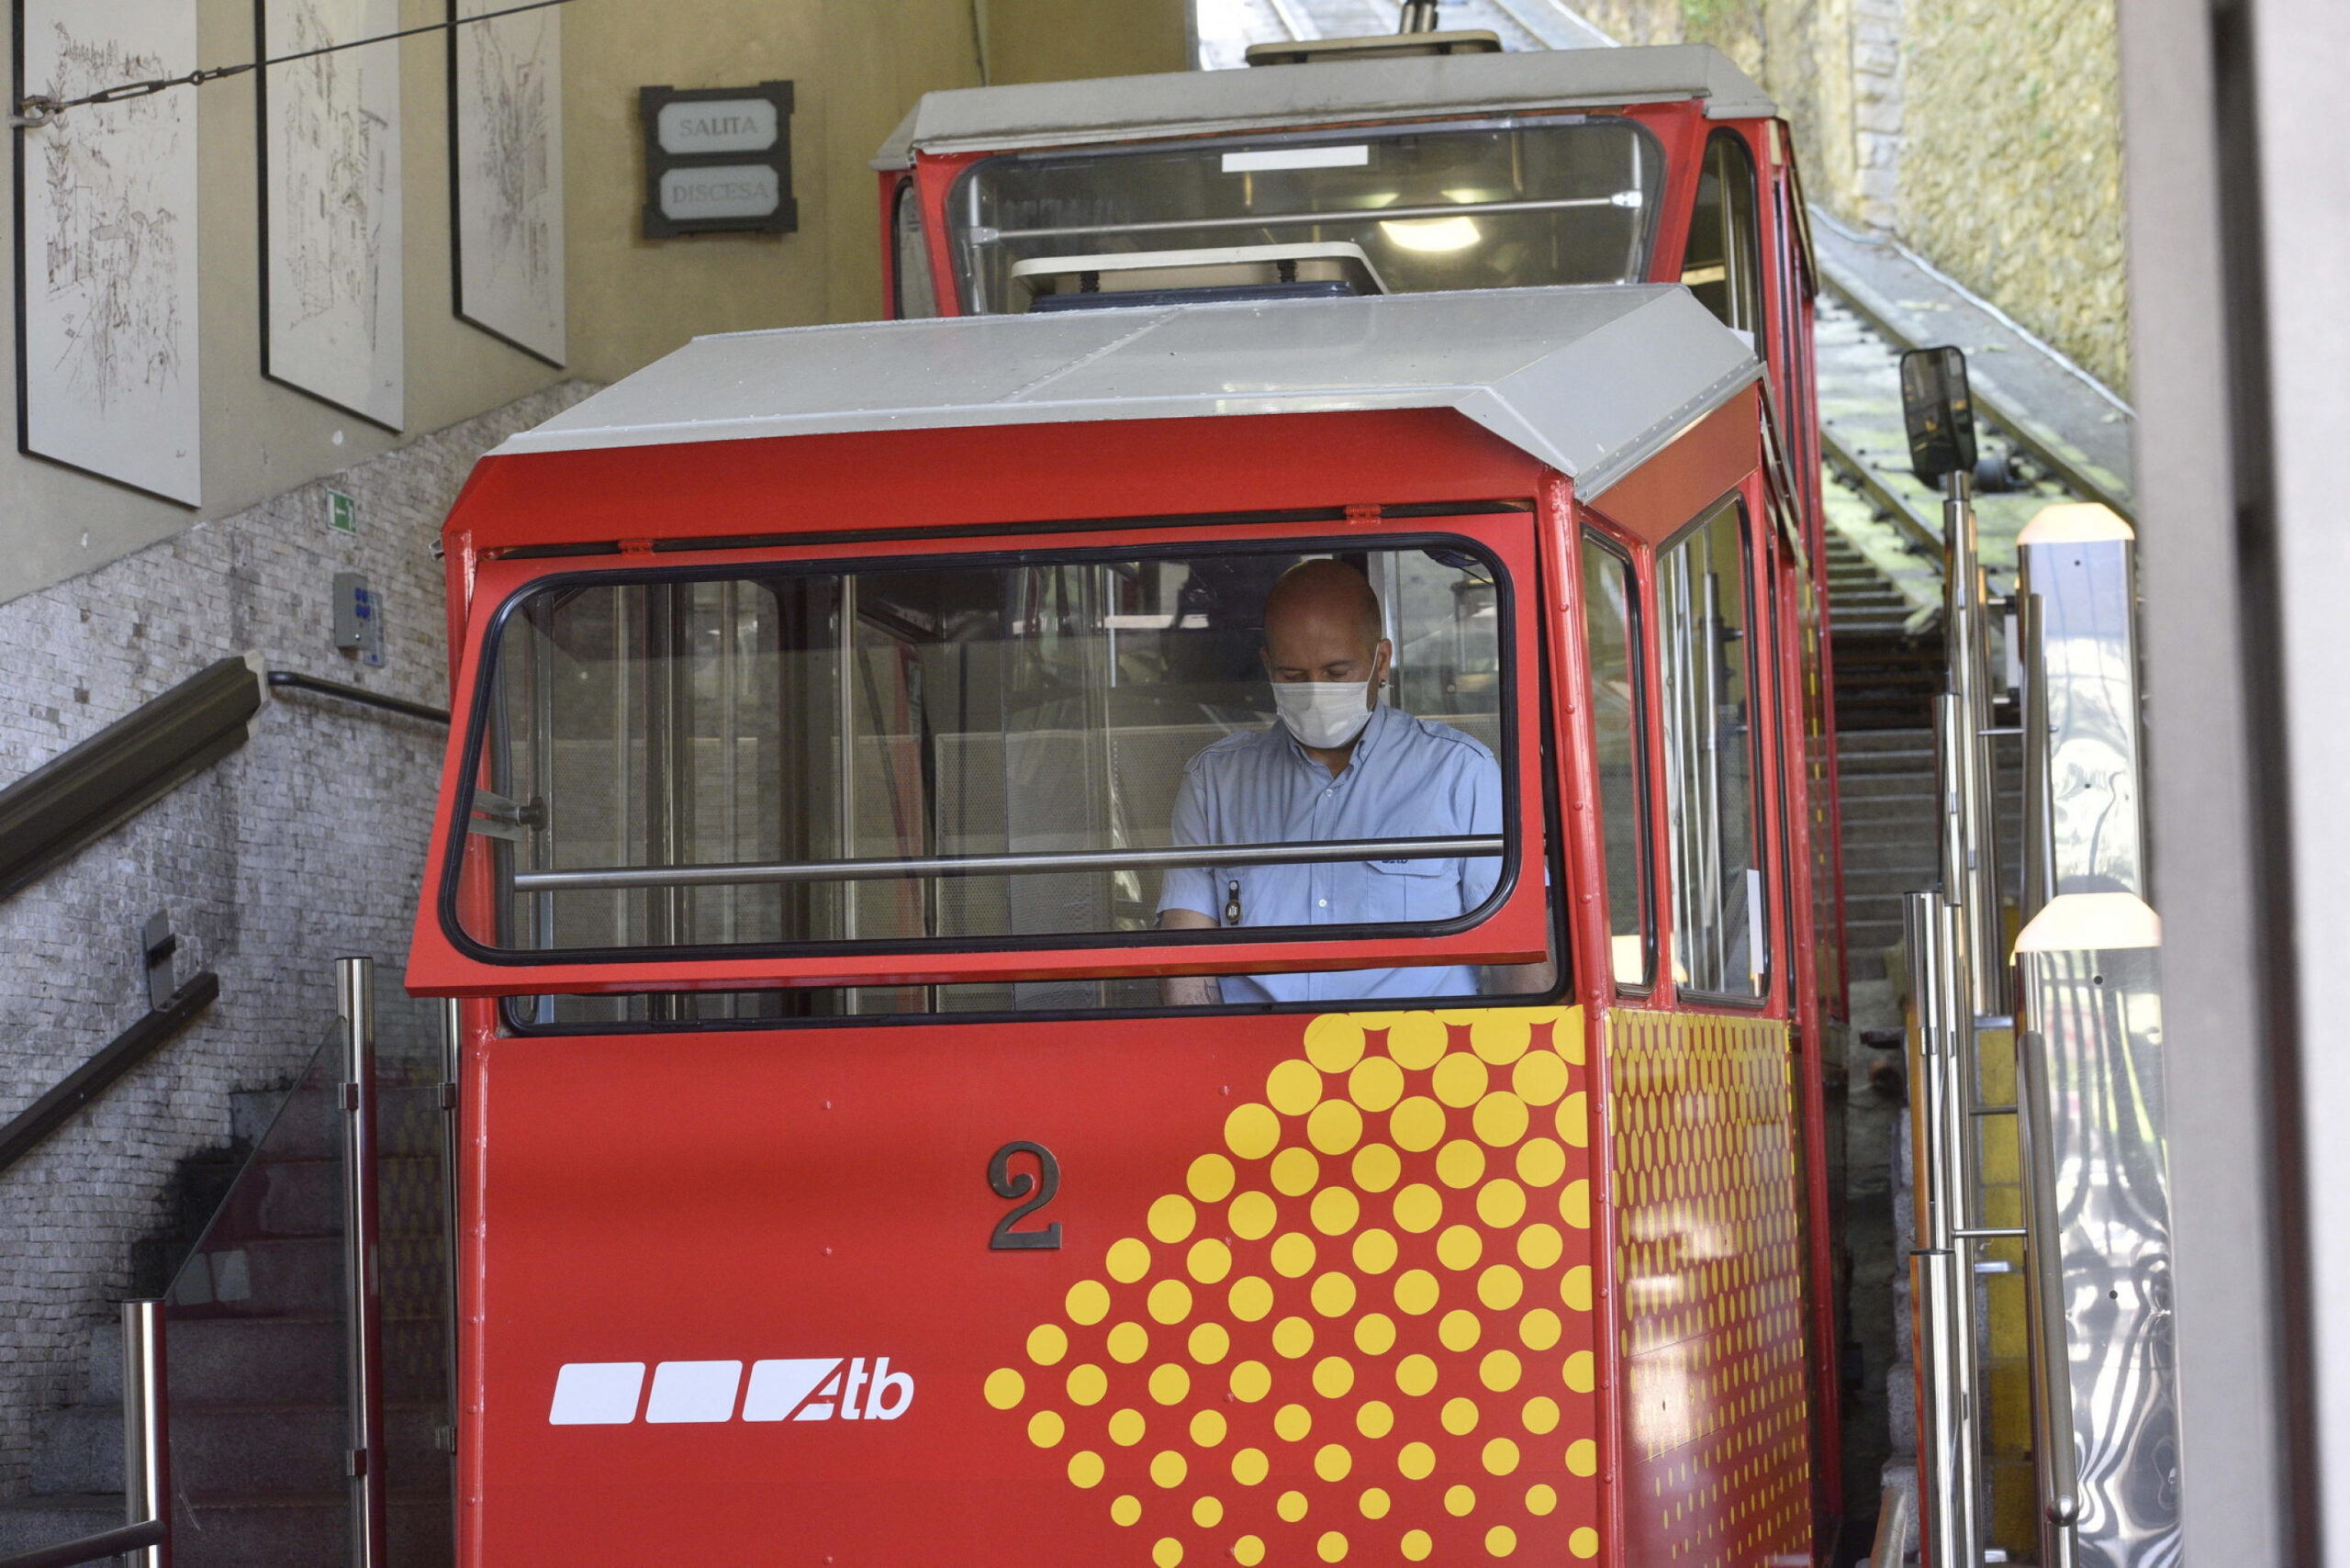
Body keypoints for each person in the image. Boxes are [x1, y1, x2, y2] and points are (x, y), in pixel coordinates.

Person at [1156, 558, 1552, 1004]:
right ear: (1268, 667)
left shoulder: (1459, 773)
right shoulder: (1215, 782)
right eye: (1293, 676)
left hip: (1422, 1055)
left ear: (1381, 661)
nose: (1315, 689)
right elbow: (1187, 954)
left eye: (1336, 673)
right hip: (1257, 1054)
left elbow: (1518, 956)